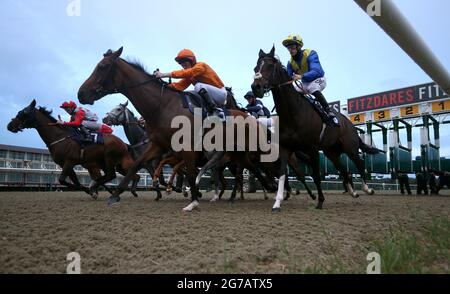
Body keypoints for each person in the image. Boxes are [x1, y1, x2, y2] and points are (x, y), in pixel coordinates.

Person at [282, 34, 338, 126]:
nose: (290, 50)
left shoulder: (310, 53)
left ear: (299, 46)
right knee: (292, 92)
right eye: (288, 48)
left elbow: (317, 71)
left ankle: (329, 112)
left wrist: (301, 76)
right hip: (305, 82)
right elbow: (288, 79)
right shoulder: (290, 62)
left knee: (312, 88)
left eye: (292, 47)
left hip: (318, 78)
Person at [155, 49, 227, 121]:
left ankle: (216, 111)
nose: (182, 64)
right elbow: (180, 86)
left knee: (198, 86)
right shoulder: (191, 75)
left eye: (184, 61)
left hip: (221, 94)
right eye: (180, 63)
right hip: (212, 94)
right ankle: (205, 112)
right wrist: (162, 85)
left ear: (191, 60)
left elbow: (187, 73)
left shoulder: (200, 66)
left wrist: (163, 75)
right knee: (190, 93)